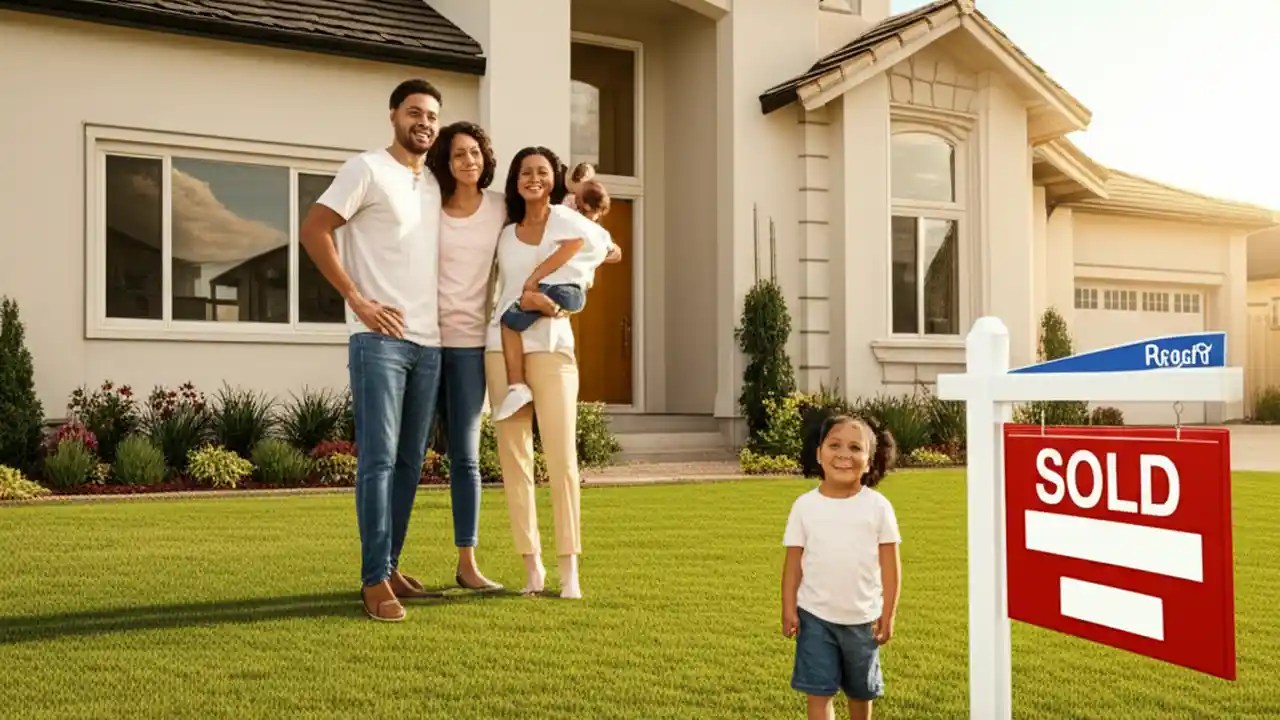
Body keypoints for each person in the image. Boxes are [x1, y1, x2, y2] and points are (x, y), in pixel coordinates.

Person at [299, 78, 445, 623]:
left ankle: (391, 564)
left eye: (431, 115)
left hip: (428, 344)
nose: (424, 122)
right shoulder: (365, 169)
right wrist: (356, 299)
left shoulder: (431, 183)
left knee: (410, 463)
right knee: (378, 462)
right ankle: (371, 580)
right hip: (379, 341)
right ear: (393, 116)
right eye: (414, 112)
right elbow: (315, 229)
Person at [484, 146, 597, 599]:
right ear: (515, 181)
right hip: (501, 349)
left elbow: (591, 264)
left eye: (542, 172)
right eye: (525, 172)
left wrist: (550, 303)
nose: (533, 178)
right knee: (515, 462)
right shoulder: (504, 233)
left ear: (554, 180)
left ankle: (569, 569)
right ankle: (532, 568)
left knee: (562, 460)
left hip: (553, 349)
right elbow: (490, 288)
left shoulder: (567, 225)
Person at [423, 120, 506, 592]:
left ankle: (467, 562)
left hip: (471, 346)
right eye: (458, 154)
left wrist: (599, 242)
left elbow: (548, 220)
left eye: (474, 152)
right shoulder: (429, 207)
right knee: (409, 455)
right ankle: (390, 565)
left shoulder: (498, 209)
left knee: (467, 457)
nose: (468, 161)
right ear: (446, 162)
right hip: (425, 343)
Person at [781, 414, 902, 720]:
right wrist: (788, 607)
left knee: (861, 694)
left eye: (855, 447)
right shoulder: (804, 506)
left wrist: (888, 613)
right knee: (818, 693)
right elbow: (793, 563)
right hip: (815, 618)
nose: (844, 454)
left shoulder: (878, 507)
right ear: (819, 452)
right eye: (834, 445)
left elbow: (890, 566)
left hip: (864, 620)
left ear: (870, 459)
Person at [490, 179, 611, 422]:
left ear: (580, 203)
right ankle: (550, 307)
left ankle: (517, 386)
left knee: (508, 320)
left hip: (557, 287)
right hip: (577, 294)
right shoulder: (602, 234)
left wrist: (534, 278)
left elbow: (573, 245)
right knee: (534, 306)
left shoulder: (566, 217)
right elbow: (614, 253)